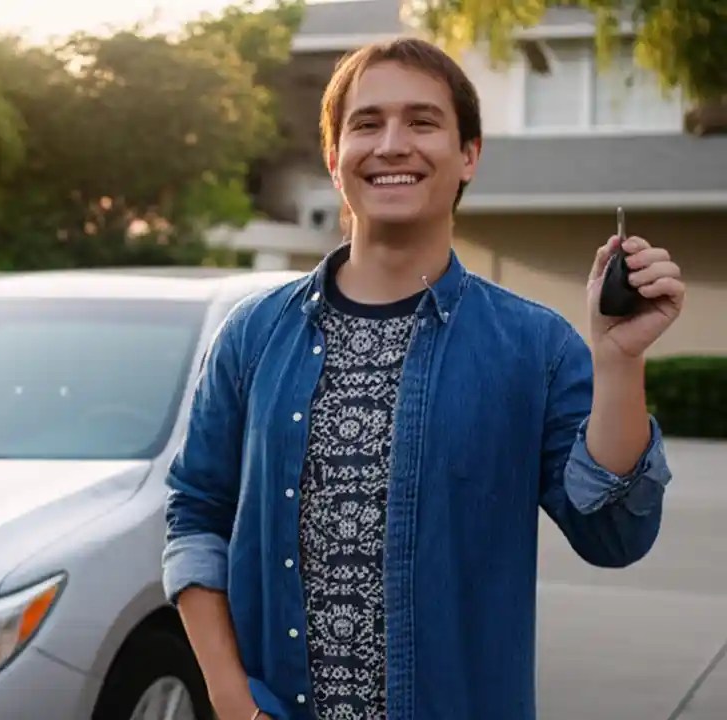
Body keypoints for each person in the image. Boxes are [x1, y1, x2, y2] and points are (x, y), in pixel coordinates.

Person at [161, 36, 684, 720]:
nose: (392, 144)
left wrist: (618, 361)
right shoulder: (254, 335)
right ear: (334, 155)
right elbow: (196, 516)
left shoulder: (535, 347)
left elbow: (613, 536)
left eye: (423, 121)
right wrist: (233, 702)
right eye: (367, 124)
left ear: (469, 154)